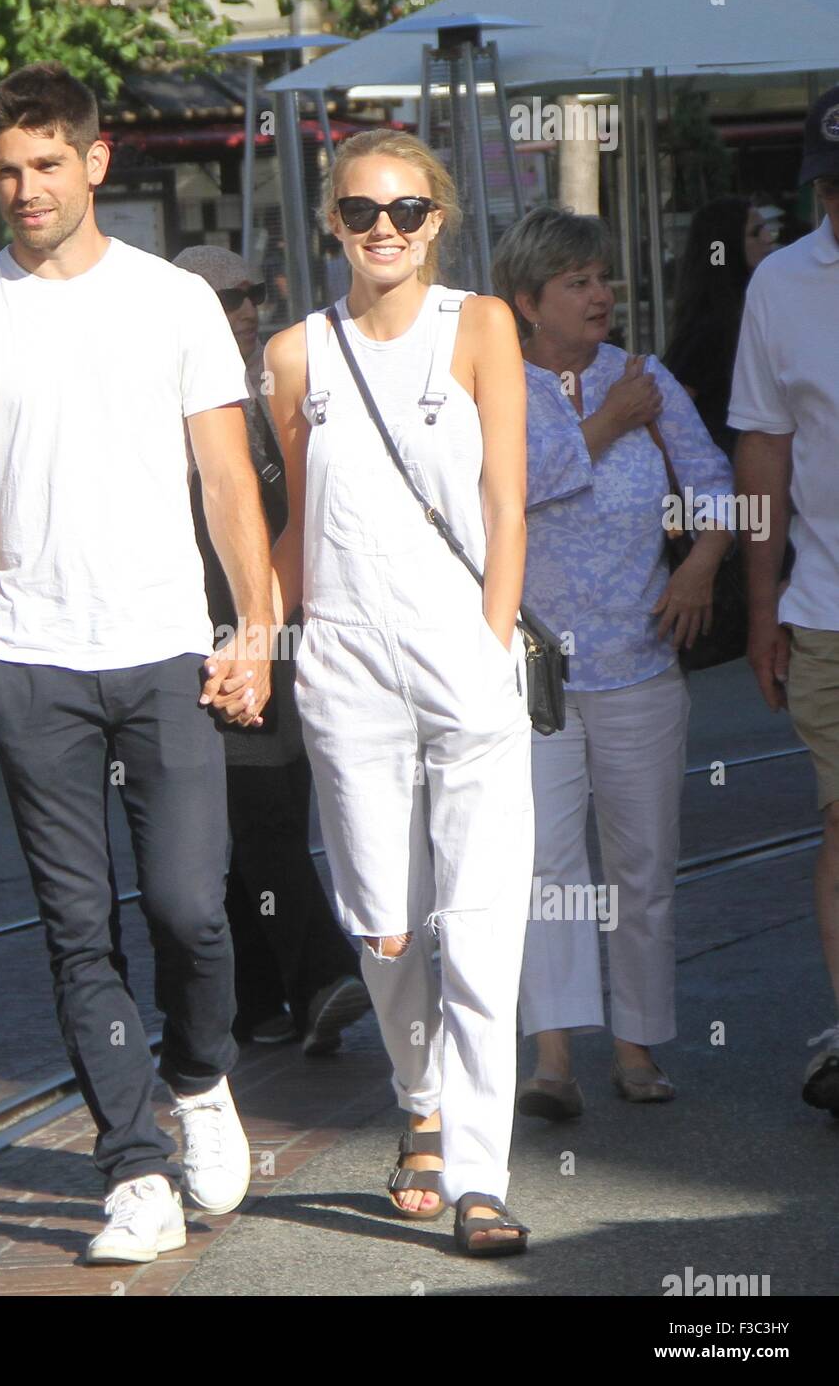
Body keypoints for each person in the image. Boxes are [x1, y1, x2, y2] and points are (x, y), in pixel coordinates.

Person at [0, 63, 272, 1266]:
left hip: (165, 649)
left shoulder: (172, 302)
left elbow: (225, 481)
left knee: (188, 909)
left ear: (96, 162)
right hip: (32, 667)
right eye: (7, 170)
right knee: (74, 931)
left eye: (48, 164)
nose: (26, 189)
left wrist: (254, 626)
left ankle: (200, 1077)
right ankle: (134, 1170)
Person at [265, 128, 535, 1256]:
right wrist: (254, 640)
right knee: (383, 926)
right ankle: (417, 1099)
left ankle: (478, 1169)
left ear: (439, 222)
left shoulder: (480, 325)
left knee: (477, 928)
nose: (384, 230)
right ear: (331, 221)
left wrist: (486, 641)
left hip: (461, 653)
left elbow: (507, 504)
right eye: (362, 211)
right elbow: (294, 527)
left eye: (407, 211)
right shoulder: (291, 354)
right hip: (344, 665)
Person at [491, 207, 735, 1120]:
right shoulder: (497, 384)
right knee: (546, 871)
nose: (602, 295)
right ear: (527, 302)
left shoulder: (644, 377)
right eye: (577, 283)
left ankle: (635, 1046)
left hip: (639, 660)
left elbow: (713, 483)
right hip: (532, 674)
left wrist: (699, 568)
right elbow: (503, 494)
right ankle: (553, 1057)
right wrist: (602, 426)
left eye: (603, 277)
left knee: (644, 866)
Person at [173, 245, 370, 1054]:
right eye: (222, 299)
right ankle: (324, 975)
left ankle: (255, 1001)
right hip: (213, 638)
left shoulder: (283, 385)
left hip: (294, 633)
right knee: (262, 814)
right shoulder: (170, 404)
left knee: (275, 809)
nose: (243, 309)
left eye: (249, 291)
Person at [731, 84, 839, 1119]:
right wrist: (761, 612)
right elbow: (760, 454)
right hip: (826, 606)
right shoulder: (780, 283)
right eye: (832, 184)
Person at [663, 196, 776, 454]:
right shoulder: (714, 327)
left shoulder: (758, 304)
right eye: (755, 232)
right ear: (728, 244)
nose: (769, 238)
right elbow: (673, 410)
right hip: (729, 467)